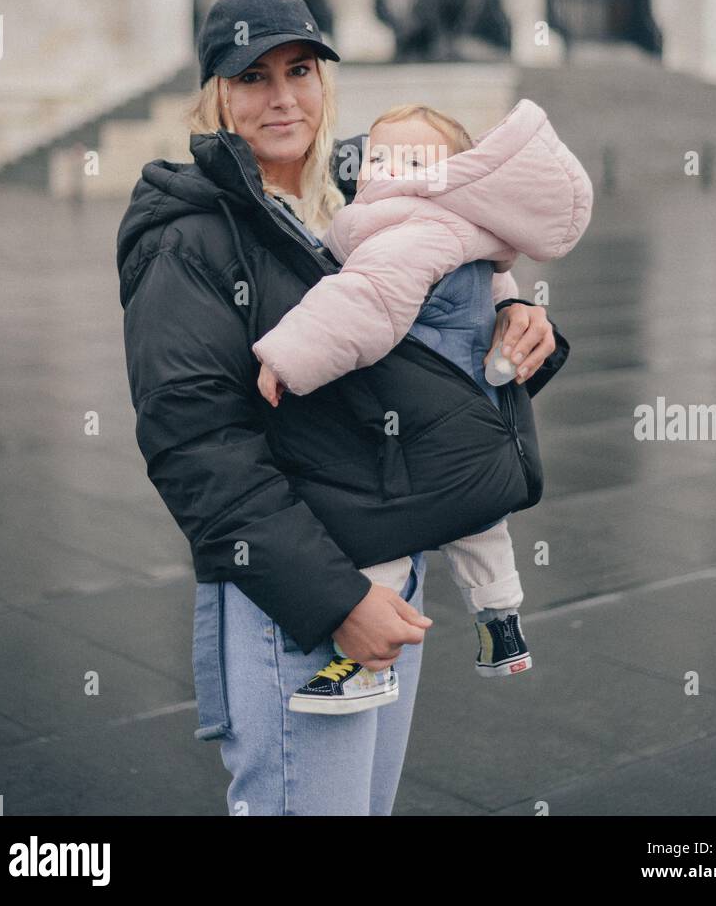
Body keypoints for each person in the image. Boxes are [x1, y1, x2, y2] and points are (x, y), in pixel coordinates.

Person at [116, 0, 570, 817]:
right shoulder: (187, 235)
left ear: (325, 83)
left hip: (390, 562)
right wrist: (338, 602)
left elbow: (427, 326)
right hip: (298, 593)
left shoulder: (353, 202)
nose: (282, 96)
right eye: (252, 77)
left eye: (299, 69)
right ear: (215, 95)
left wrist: (515, 315)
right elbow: (195, 452)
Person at [252, 99, 592, 713]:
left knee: (380, 532)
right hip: (473, 426)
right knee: (479, 528)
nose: (386, 167)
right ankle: (501, 628)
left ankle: (367, 664)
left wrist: (288, 356)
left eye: (410, 159)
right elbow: (499, 297)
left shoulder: (411, 232)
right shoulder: (467, 233)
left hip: (416, 434)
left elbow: (365, 301)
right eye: (379, 155)